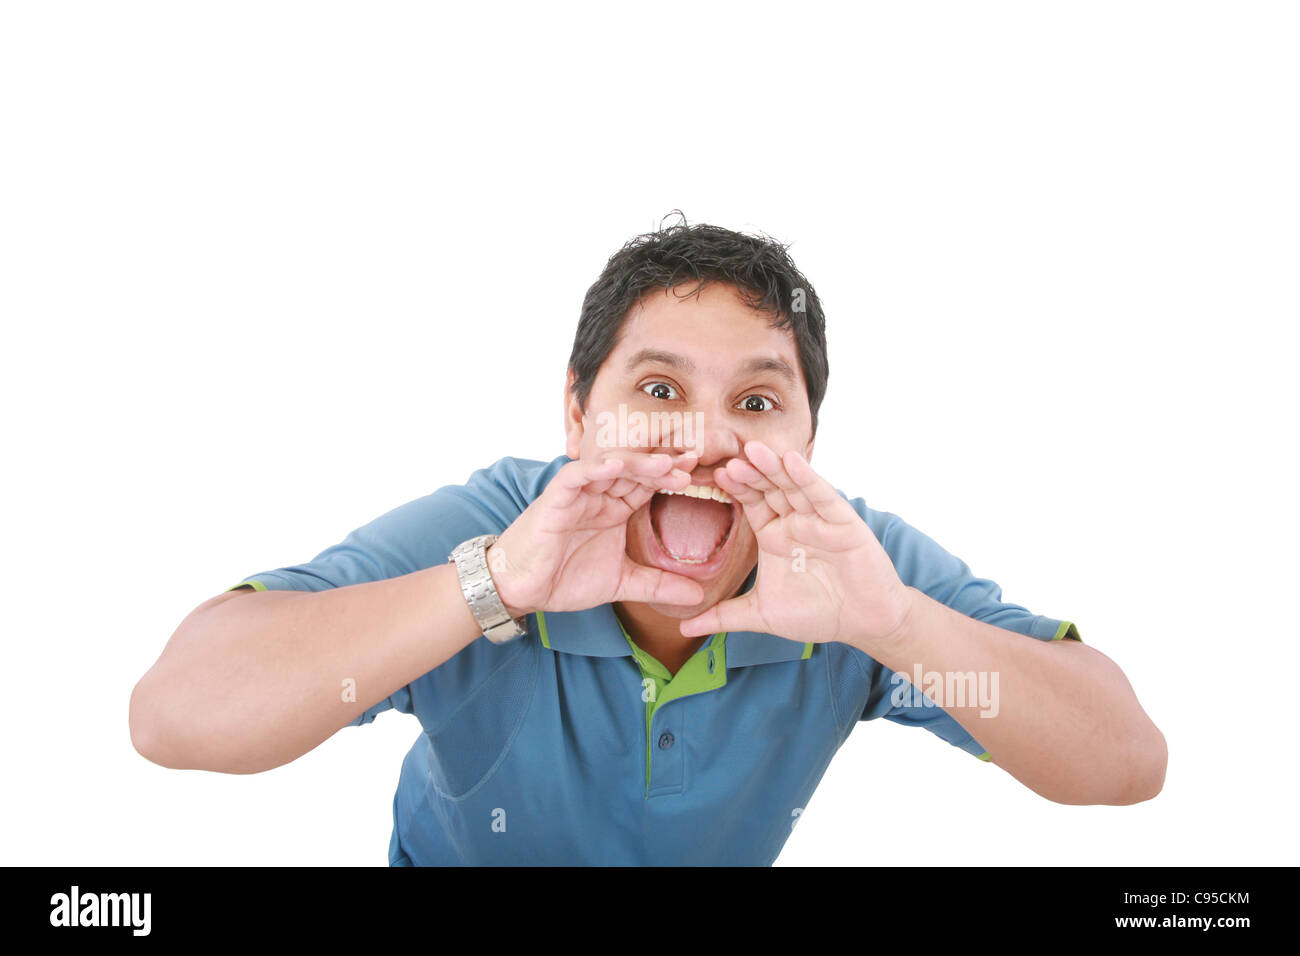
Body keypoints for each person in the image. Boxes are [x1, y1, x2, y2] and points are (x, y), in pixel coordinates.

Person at [129, 217, 1167, 865]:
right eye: (660, 390)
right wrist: (495, 585)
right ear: (578, 415)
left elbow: (1125, 761)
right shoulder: (497, 527)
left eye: (756, 402)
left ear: (807, 443)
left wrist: (893, 625)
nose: (706, 440)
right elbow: (177, 715)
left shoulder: (841, 560)